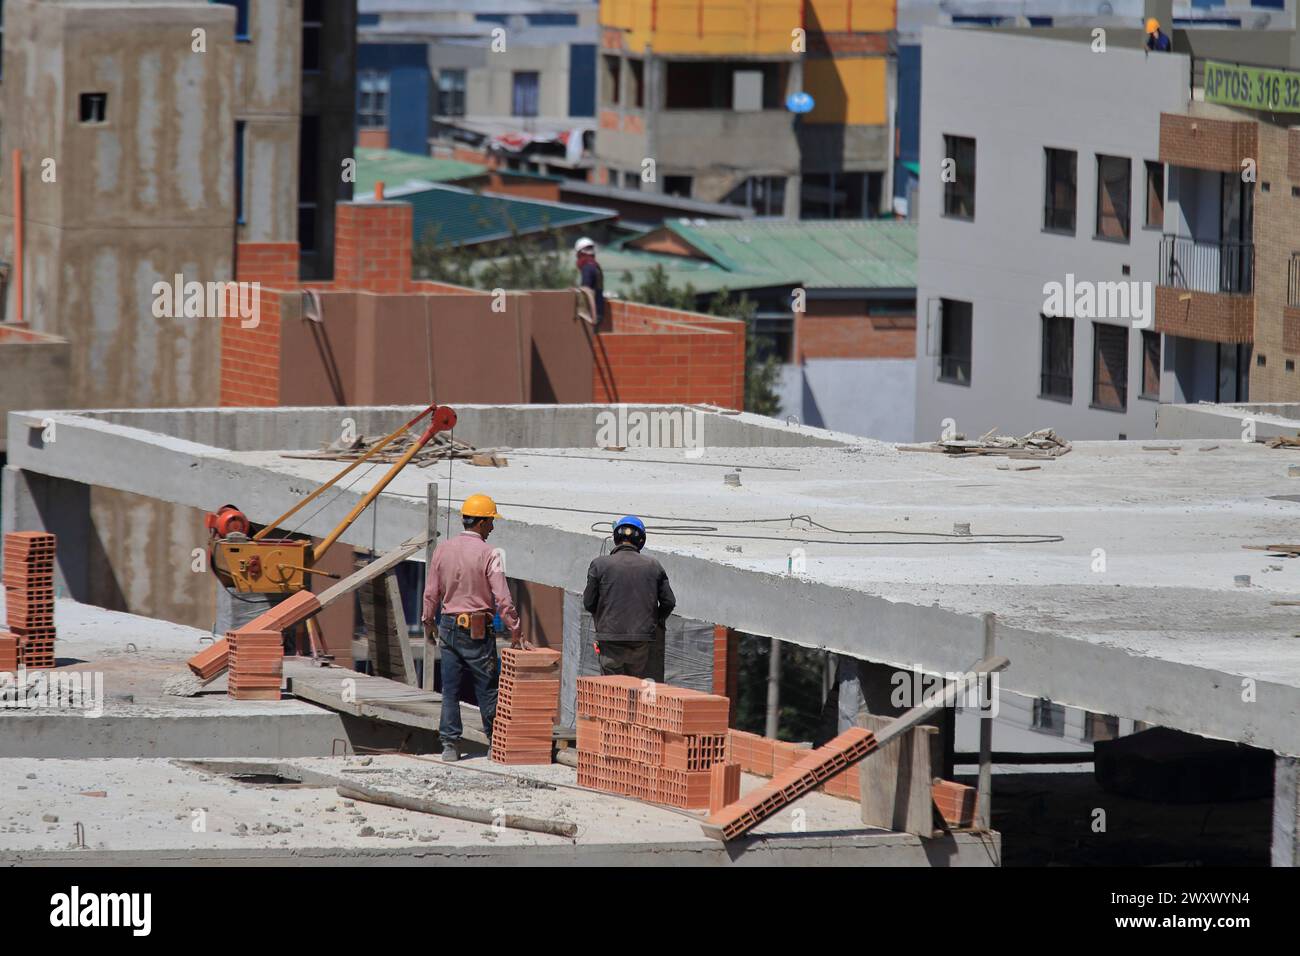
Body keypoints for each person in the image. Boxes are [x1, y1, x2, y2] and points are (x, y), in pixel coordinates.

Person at [422, 493, 528, 761]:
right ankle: (495, 742)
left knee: (450, 689)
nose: (492, 527)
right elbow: (503, 598)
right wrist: (515, 629)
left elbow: (431, 592)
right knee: (488, 687)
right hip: (477, 630)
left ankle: (449, 746)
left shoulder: (442, 549)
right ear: (480, 523)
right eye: (490, 522)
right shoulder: (489, 553)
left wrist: (428, 622)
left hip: (447, 626)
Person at [583, 516, 675, 679]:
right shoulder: (654, 565)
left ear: (616, 537)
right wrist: (654, 621)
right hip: (641, 640)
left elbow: (589, 602)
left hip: (610, 639)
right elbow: (669, 602)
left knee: (611, 692)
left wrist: (604, 619)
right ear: (640, 540)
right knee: (635, 688)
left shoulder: (599, 564)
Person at [575, 237, 605, 325]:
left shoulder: (587, 267)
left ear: (580, 253)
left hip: (590, 315)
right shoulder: (595, 266)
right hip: (599, 311)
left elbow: (586, 289)